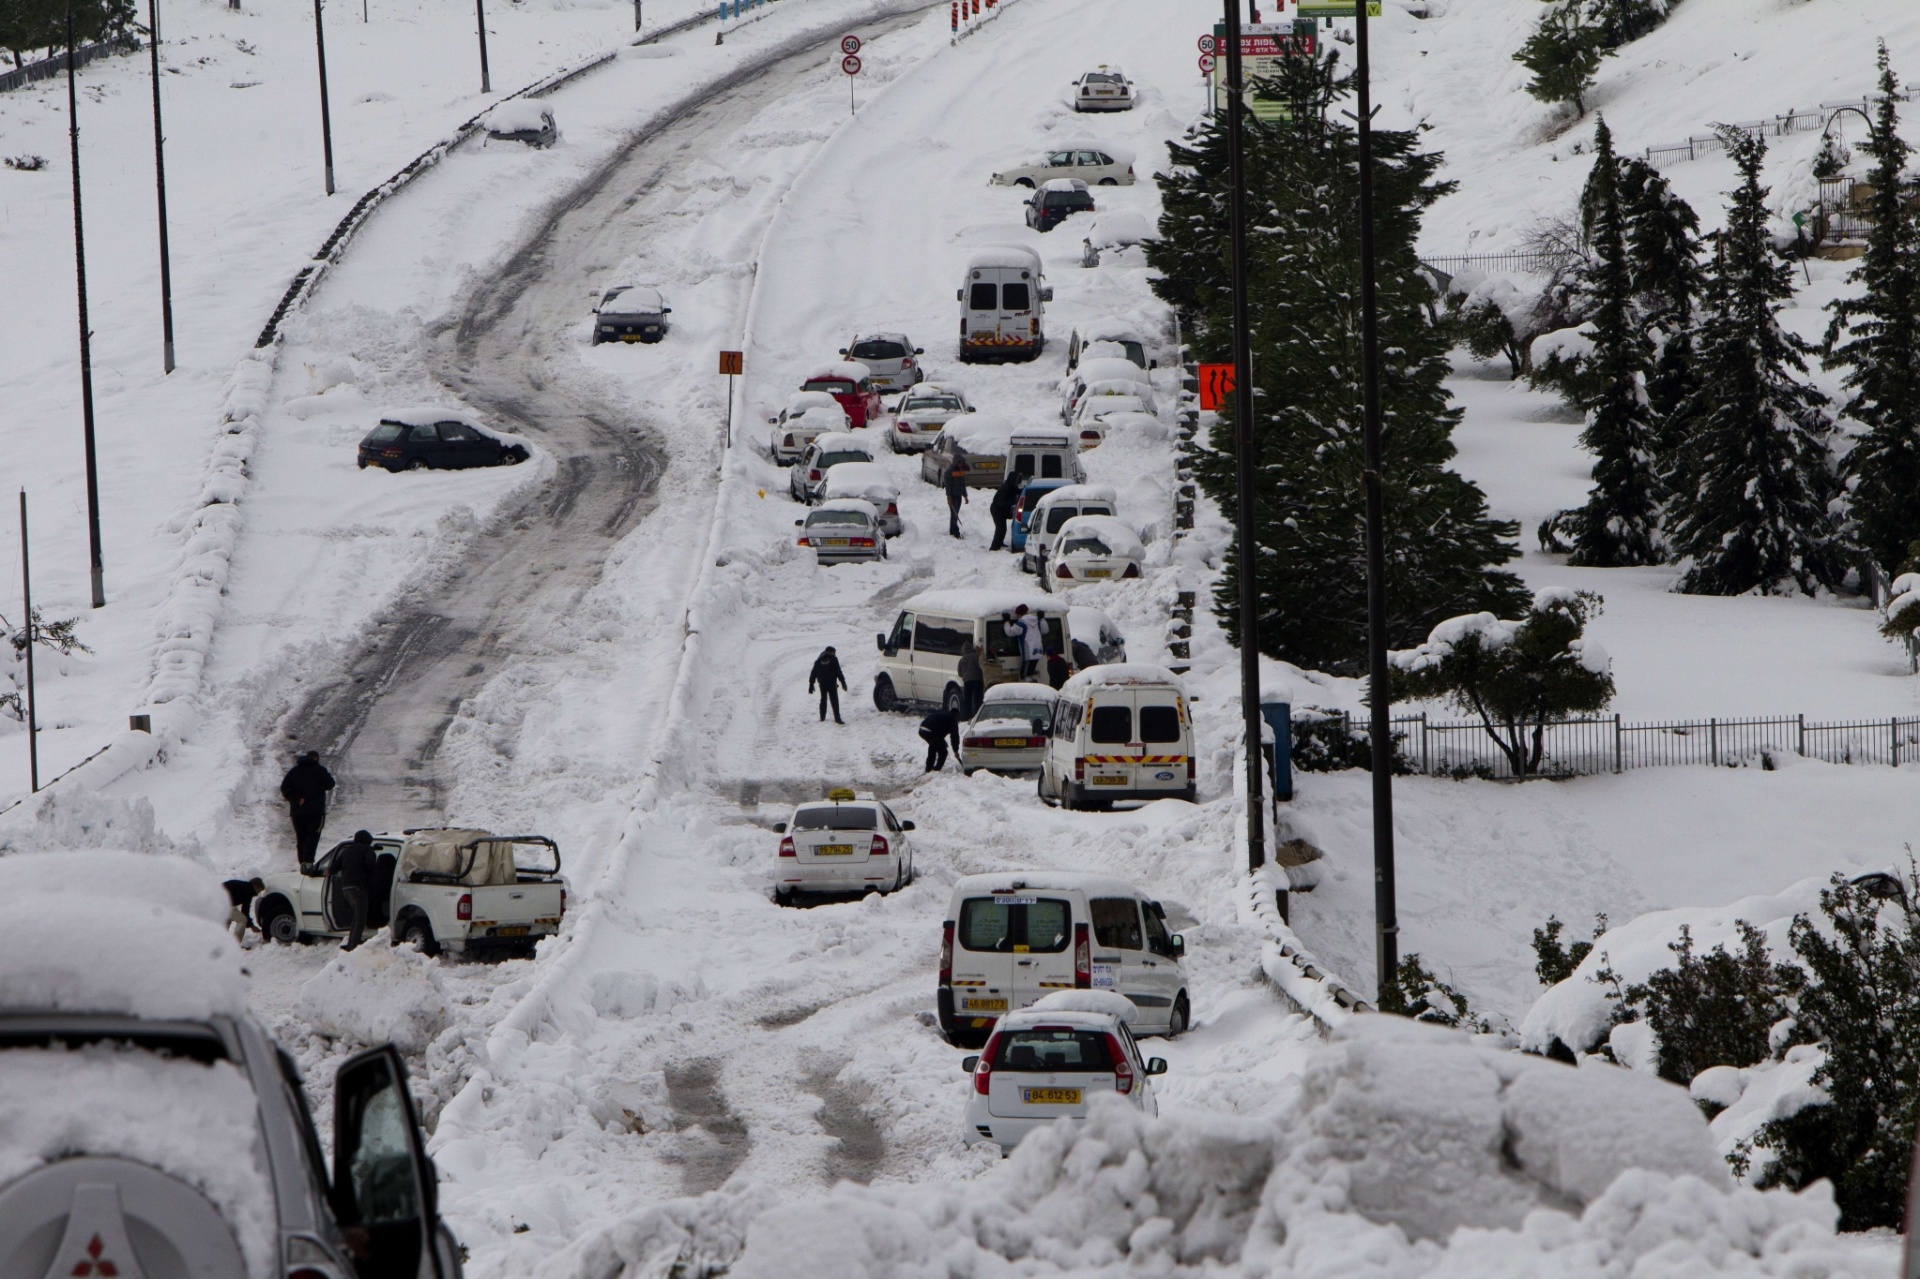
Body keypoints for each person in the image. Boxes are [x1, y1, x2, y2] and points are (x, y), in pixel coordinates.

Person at [280, 750, 336, 868]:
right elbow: (330, 784)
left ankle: (302, 864)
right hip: (316, 812)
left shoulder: (294, 771)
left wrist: (296, 799)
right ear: (316, 759)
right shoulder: (320, 770)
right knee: (312, 836)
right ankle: (308, 863)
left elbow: (284, 787)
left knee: (301, 838)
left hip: (298, 812)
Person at [332, 829, 377, 951]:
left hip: (345, 888)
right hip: (358, 888)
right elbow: (370, 864)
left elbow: (334, 867)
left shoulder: (346, 850)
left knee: (357, 917)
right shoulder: (368, 849)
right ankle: (353, 947)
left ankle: (351, 943)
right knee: (360, 918)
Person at [1001, 604, 1044, 681]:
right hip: (1038, 651)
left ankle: (1031, 689)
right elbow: (1045, 630)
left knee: (1024, 675)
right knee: (1030, 673)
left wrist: (1006, 621)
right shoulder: (1036, 621)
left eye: (1017, 614)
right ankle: (1034, 685)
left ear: (1019, 614)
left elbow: (1009, 632)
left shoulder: (1021, 623)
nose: (1016, 616)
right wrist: (1042, 618)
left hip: (1028, 654)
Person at [988, 472, 1026, 552]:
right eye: (1017, 480)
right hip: (997, 510)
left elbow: (1017, 491)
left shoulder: (1011, 486)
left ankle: (999, 543)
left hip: (1001, 510)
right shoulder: (1005, 488)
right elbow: (1001, 503)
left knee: (1003, 528)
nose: (1018, 482)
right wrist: (1013, 500)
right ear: (1013, 480)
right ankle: (994, 547)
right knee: (1000, 528)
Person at [809, 645, 848, 724]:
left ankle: (822, 717)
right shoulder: (833, 659)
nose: (835, 654)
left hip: (822, 683)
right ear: (831, 651)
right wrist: (843, 682)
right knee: (834, 701)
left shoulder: (818, 660)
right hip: (831, 683)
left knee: (823, 700)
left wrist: (811, 684)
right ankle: (837, 719)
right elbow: (838, 671)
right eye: (834, 652)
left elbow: (813, 672)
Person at [944, 457, 972, 538]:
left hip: (959, 496)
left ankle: (953, 530)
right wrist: (949, 497)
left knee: (955, 514)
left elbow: (963, 484)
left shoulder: (960, 471)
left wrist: (965, 496)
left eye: (962, 463)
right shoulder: (949, 472)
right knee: (954, 514)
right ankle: (955, 532)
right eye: (959, 463)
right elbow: (948, 486)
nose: (961, 465)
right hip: (952, 496)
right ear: (956, 462)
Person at [957, 639, 985, 718]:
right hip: (978, 680)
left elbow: (959, 673)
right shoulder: (977, 656)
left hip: (967, 682)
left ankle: (968, 716)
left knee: (968, 700)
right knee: (978, 699)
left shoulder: (962, 659)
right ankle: (978, 715)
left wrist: (965, 676)